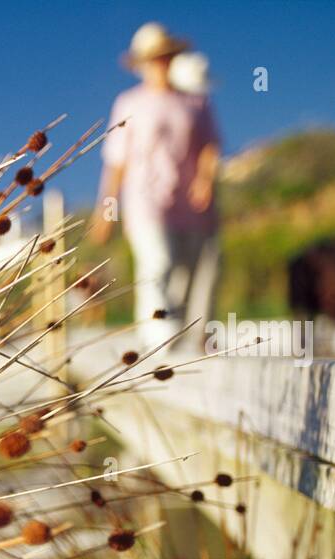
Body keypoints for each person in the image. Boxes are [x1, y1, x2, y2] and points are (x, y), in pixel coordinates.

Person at [92, 23, 221, 351]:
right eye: (153, 59)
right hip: (145, 199)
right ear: (142, 64)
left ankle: (185, 342)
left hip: (191, 203)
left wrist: (206, 180)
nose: (159, 64)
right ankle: (158, 341)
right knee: (158, 263)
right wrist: (106, 209)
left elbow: (210, 146)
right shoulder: (129, 103)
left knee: (188, 275)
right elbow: (116, 161)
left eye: (164, 57)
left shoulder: (195, 103)